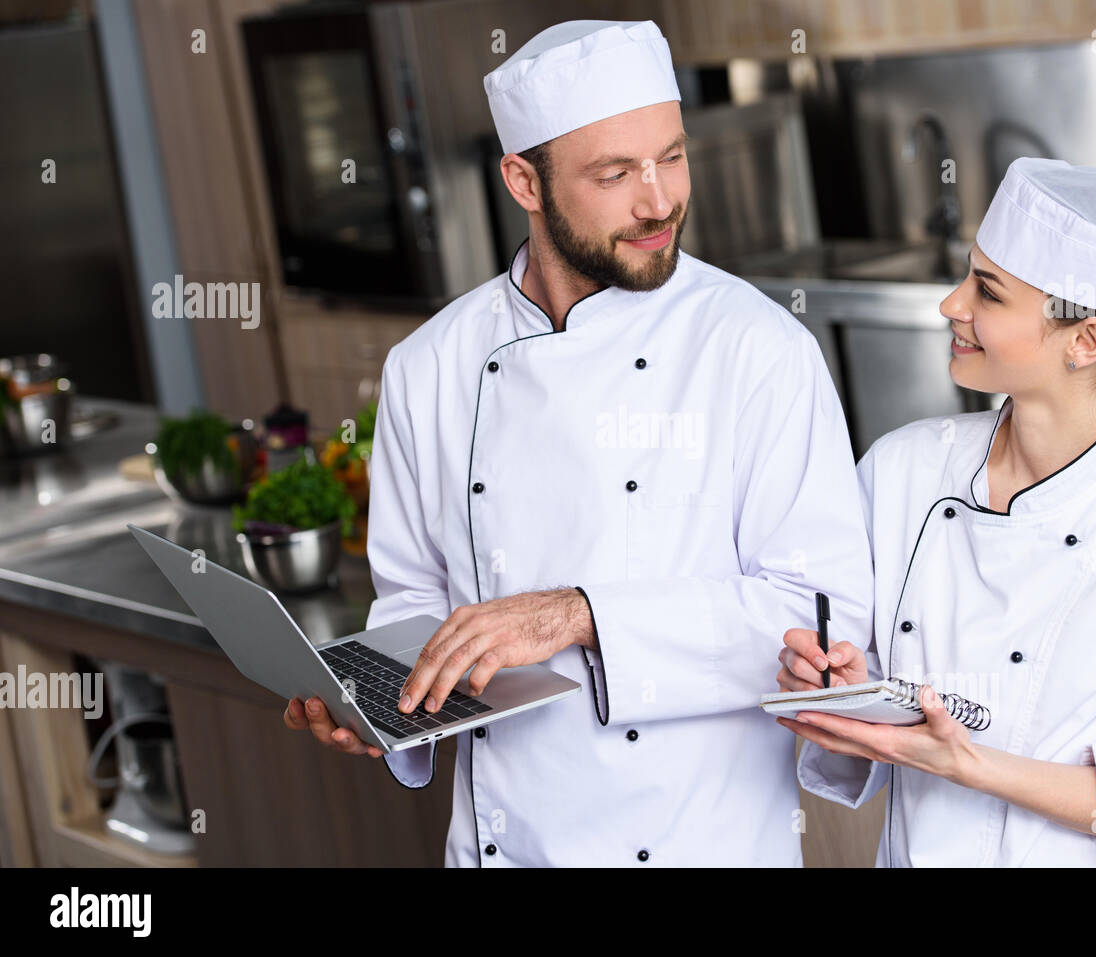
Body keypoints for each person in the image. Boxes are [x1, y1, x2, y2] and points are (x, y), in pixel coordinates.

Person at [284, 19, 872, 866]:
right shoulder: (430, 365)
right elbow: (412, 604)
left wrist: (583, 615)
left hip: (691, 842)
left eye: (672, 155)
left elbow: (820, 621)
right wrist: (379, 706)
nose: (659, 199)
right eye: (614, 173)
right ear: (523, 181)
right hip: (506, 843)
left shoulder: (758, 350)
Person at [775, 157, 1096, 867]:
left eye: (989, 293)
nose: (952, 304)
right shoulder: (903, 468)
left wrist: (966, 762)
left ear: (1085, 341)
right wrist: (839, 686)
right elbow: (864, 677)